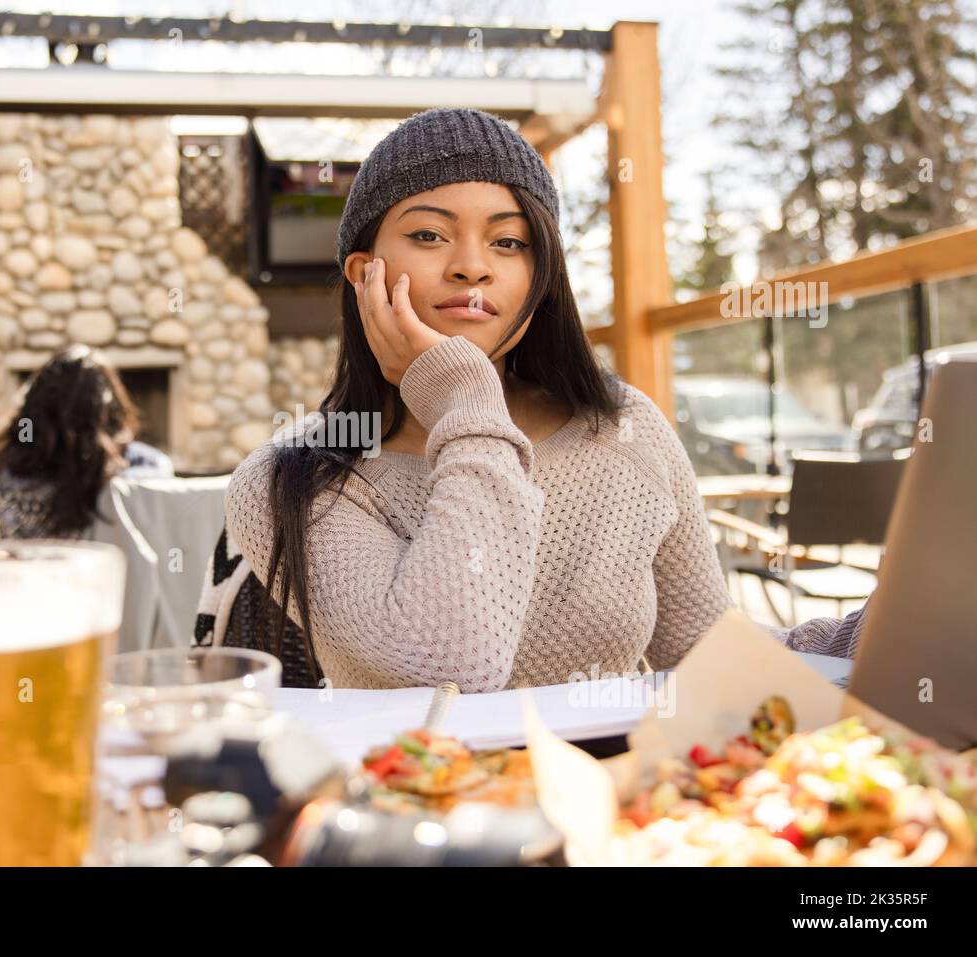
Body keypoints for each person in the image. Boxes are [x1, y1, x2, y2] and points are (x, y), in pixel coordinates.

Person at [223, 107, 734, 692]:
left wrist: (851, 635)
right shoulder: (291, 478)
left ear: (541, 277)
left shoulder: (623, 428)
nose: (471, 267)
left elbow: (708, 655)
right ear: (365, 271)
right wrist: (462, 397)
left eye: (509, 242)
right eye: (428, 235)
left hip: (613, 778)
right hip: (410, 781)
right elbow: (446, 672)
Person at [0, 345, 173, 539]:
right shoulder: (111, 485)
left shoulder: (7, 473)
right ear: (102, 411)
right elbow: (160, 467)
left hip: (24, 568)